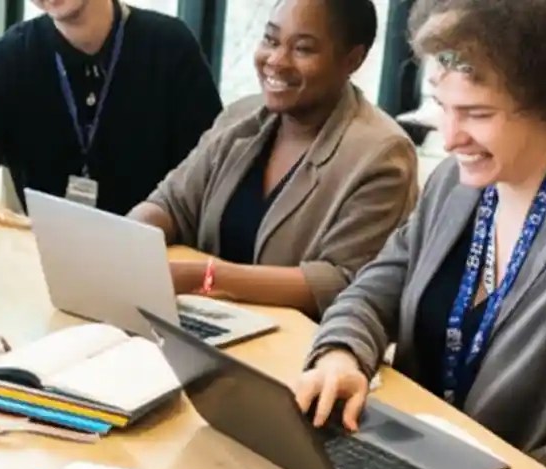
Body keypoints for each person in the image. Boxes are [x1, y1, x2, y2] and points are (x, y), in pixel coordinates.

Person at [295, 0, 546, 469]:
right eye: (442, 106)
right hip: (409, 467)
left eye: (477, 114)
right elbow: (376, 288)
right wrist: (341, 353)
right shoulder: (453, 186)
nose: (451, 136)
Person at [128, 0, 417, 317]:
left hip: (297, 347)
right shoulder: (242, 116)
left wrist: (206, 277)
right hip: (205, 321)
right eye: (271, 40)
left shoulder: (382, 154)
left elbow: (342, 281)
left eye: (303, 49)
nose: (276, 60)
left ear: (352, 60)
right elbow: (172, 204)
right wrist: (126, 239)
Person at [0, 0, 222, 219]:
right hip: (47, 262)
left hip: (160, 256)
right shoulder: (6, 60)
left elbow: (210, 174)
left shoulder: (170, 47)